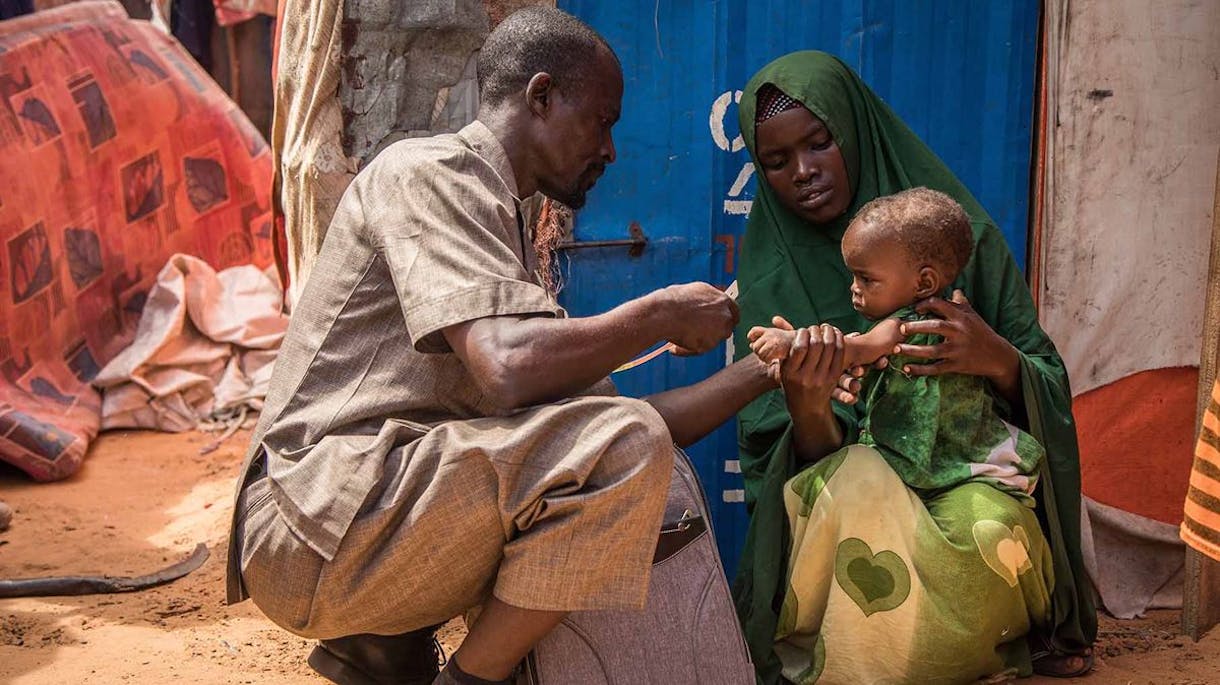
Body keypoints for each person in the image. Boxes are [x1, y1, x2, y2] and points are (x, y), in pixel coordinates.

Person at [224, 8, 775, 685]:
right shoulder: (430, 173)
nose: (610, 150)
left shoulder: (498, 226)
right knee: (618, 447)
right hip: (314, 524)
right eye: (602, 120)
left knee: (622, 444)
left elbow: (625, 431)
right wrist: (657, 314)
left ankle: (381, 642)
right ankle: (463, 675)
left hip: (361, 516)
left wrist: (764, 371)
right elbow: (509, 368)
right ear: (540, 96)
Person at [730, 52, 1097, 684]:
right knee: (859, 506)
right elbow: (782, 460)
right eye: (776, 161)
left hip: (966, 478)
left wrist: (996, 360)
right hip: (858, 494)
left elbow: (1047, 384)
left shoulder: (958, 239)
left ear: (855, 132)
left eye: (819, 144)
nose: (804, 172)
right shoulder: (770, 276)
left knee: (991, 528)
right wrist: (811, 407)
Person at [747, 187, 1044, 503]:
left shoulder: (908, 323)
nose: (854, 289)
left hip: (923, 454)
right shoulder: (944, 316)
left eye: (866, 279)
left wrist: (793, 341)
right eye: (853, 276)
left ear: (923, 283)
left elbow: (853, 348)